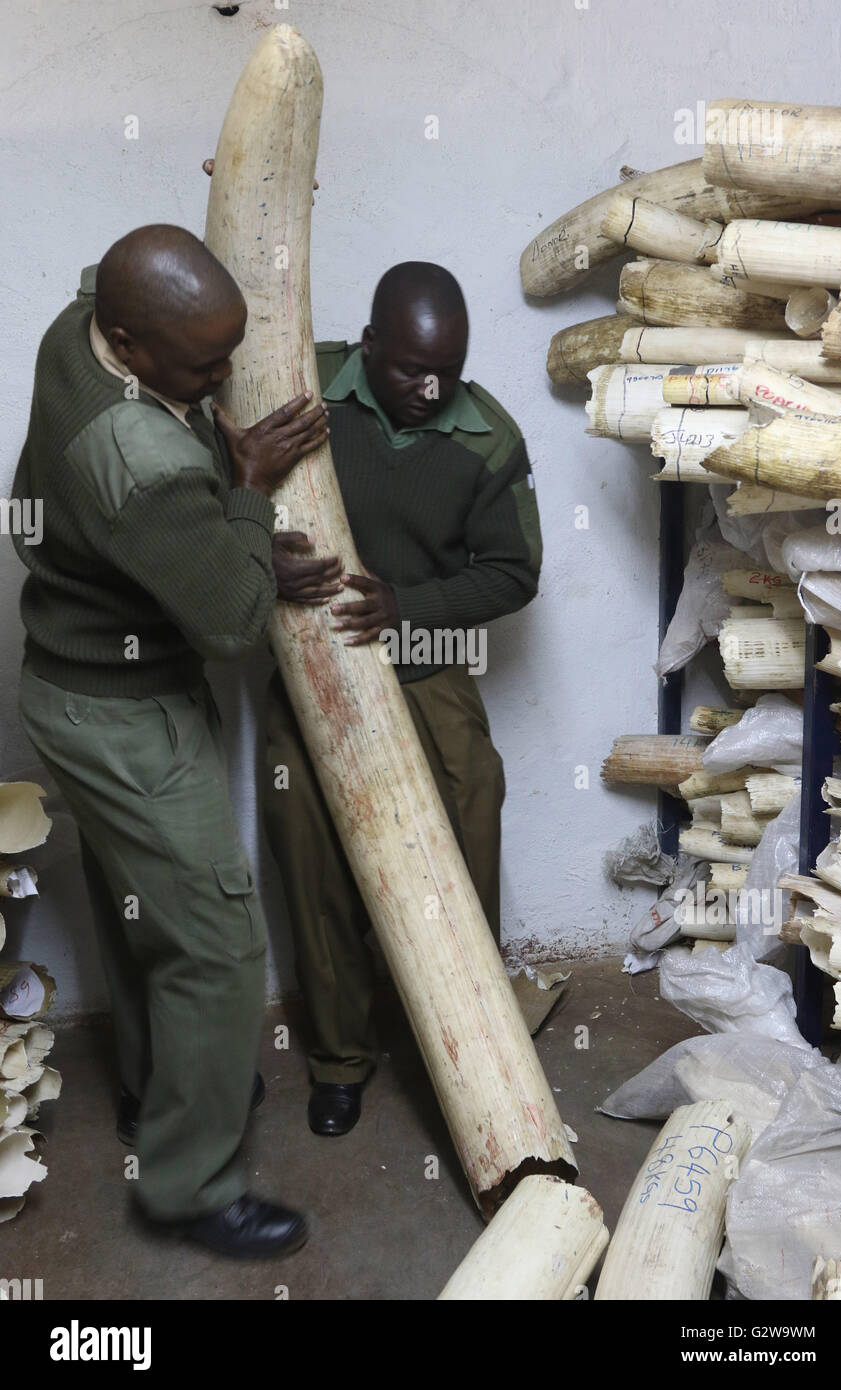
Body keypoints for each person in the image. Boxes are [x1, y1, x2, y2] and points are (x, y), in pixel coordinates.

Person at [11, 224, 329, 1258]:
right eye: (205, 367)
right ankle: (189, 1185)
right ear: (129, 342)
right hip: (124, 717)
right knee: (217, 941)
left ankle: (159, 1088)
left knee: (138, 901)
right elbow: (233, 624)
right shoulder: (142, 462)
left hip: (68, 681)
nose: (226, 378)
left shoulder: (77, 324)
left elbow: (183, 553)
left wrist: (211, 533)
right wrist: (239, 498)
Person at [262, 261, 542, 1137]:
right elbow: (212, 468)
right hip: (314, 670)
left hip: (427, 661)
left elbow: (514, 573)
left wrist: (408, 608)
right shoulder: (299, 386)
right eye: (409, 368)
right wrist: (247, 545)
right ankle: (341, 1060)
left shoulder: (487, 437)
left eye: (447, 372)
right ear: (370, 341)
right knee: (309, 845)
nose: (429, 388)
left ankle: (462, 1040)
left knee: (472, 817)